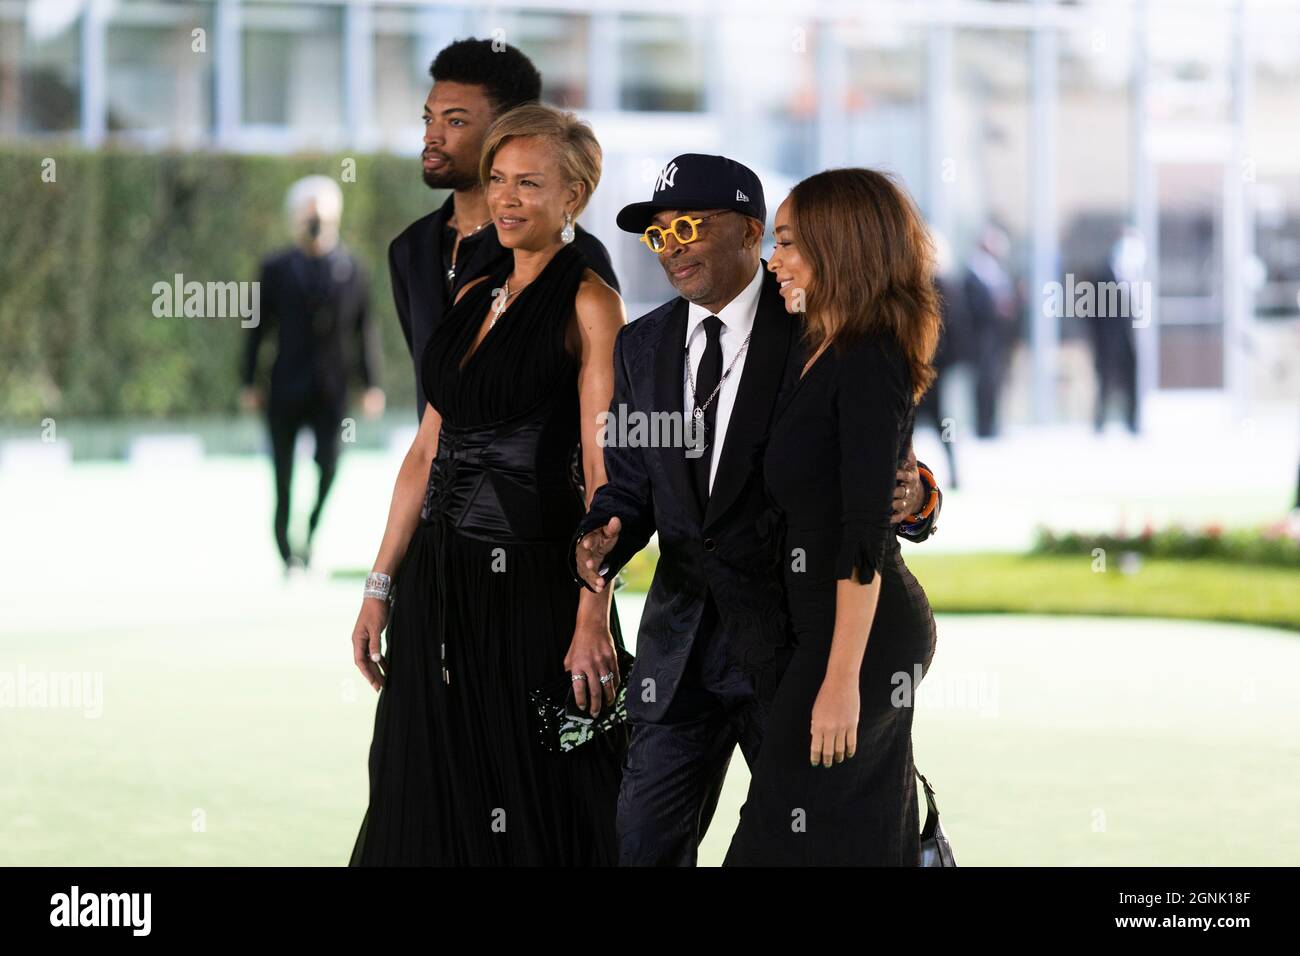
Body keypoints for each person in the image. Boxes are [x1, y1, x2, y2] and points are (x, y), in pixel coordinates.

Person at [570, 154, 942, 866]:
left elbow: (881, 487)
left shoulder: (822, 320)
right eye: (657, 234)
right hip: (678, 649)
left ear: (747, 232)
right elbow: (629, 485)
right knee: (639, 844)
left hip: (790, 645)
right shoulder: (641, 346)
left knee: (818, 841)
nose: (670, 245)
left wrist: (920, 498)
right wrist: (604, 535)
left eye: (686, 226)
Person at [348, 104, 629, 865]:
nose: (505, 199)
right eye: (498, 179)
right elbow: (423, 454)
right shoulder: (474, 295)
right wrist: (381, 584)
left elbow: (605, 478)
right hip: (435, 584)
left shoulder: (592, 303)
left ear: (573, 196)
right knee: (419, 786)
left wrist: (592, 613)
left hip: (531, 589)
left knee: (534, 798)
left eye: (529, 184)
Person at [724, 168, 940, 866]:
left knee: (775, 833)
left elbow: (864, 534)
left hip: (860, 640)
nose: (772, 258)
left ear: (839, 248)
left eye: (787, 242)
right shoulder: (814, 341)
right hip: (822, 628)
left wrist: (842, 680)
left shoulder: (869, 357)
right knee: (852, 836)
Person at [391, 37, 620, 423]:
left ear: (507, 129)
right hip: (437, 475)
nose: (433, 135)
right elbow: (431, 384)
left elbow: (601, 406)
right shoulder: (409, 248)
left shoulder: (577, 258)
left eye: (456, 120)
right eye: (429, 118)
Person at [240, 175, 384, 572]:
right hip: (284, 387)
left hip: (330, 390)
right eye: (306, 215)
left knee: (329, 464)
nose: (314, 222)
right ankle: (287, 550)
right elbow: (256, 328)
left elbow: (364, 329)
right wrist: (248, 381)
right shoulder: (275, 268)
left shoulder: (353, 269)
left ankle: (312, 531)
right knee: (283, 475)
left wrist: (371, 384)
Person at [964, 223, 1019, 439]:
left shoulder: (995, 271)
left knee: (995, 383)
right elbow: (975, 305)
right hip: (981, 339)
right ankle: (983, 428)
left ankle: (992, 426)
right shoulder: (974, 271)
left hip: (997, 338)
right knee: (983, 385)